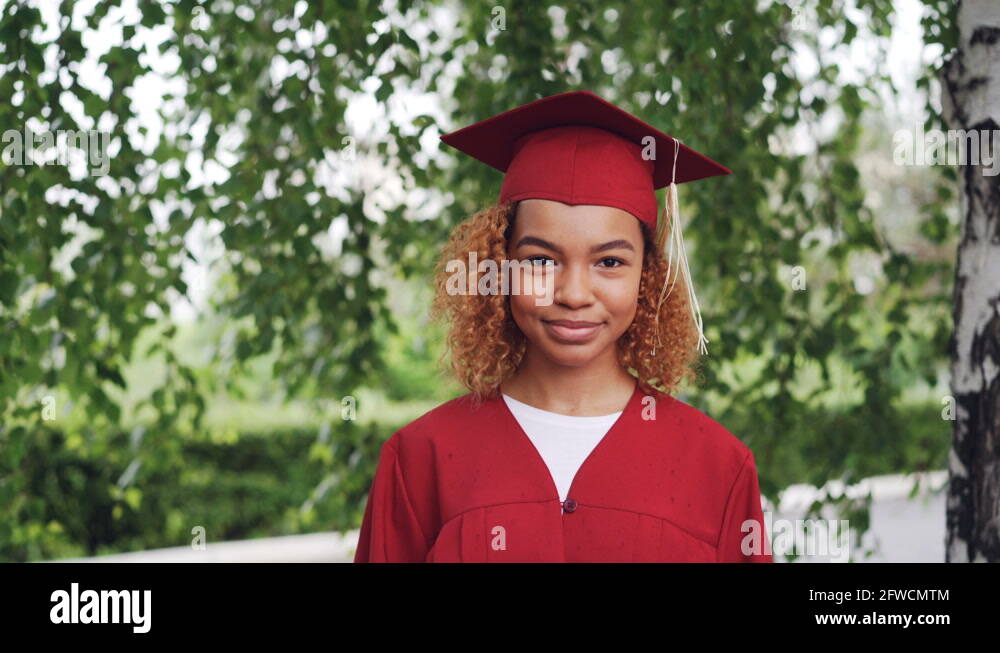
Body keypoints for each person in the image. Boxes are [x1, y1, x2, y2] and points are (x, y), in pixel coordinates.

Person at [353, 91, 772, 562]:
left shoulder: (717, 466)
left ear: (647, 278)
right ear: (500, 266)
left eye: (609, 261)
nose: (573, 293)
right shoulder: (420, 460)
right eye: (541, 260)